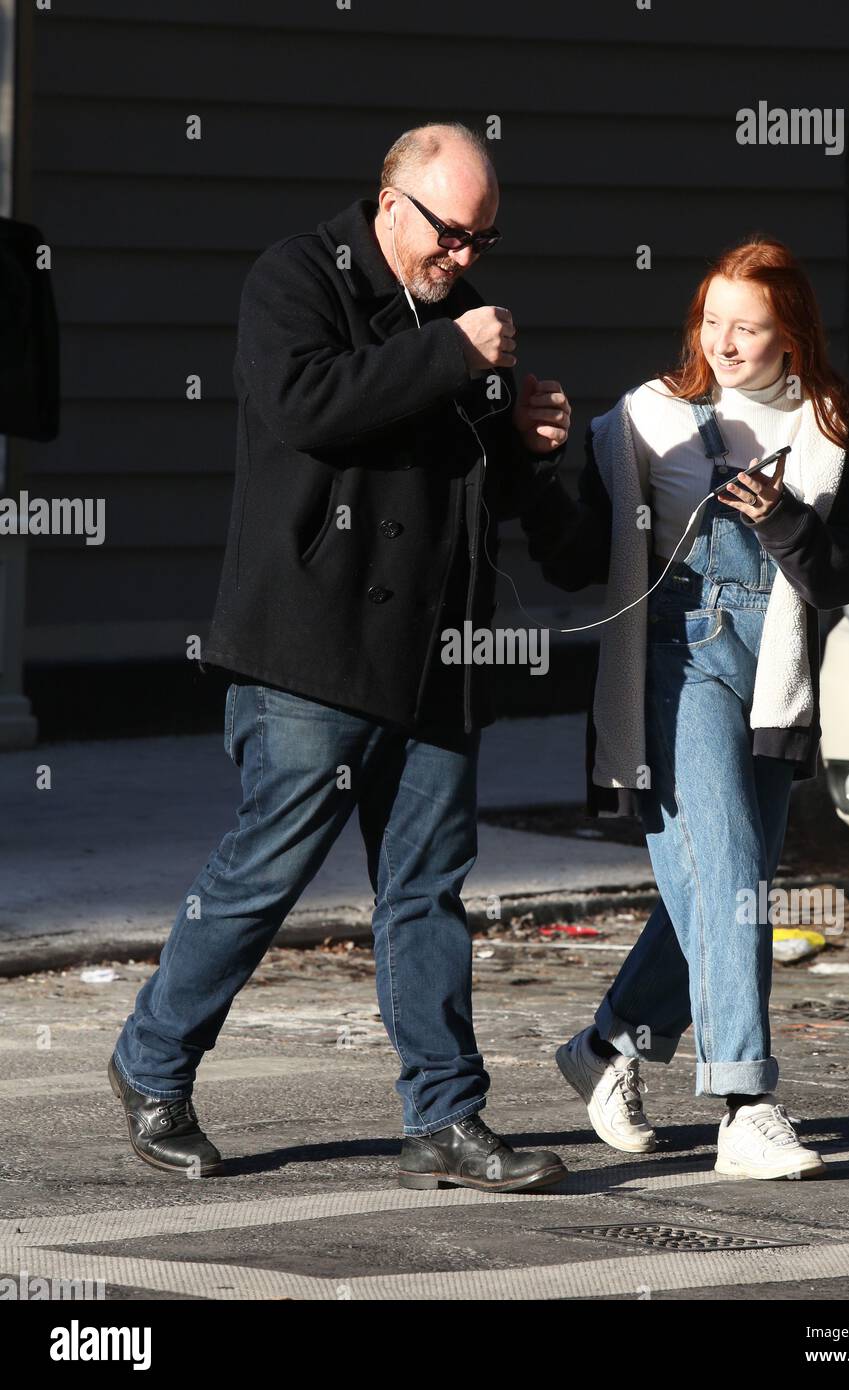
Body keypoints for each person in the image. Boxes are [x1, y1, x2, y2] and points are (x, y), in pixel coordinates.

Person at [109, 122, 576, 1193]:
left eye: (483, 242)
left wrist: (531, 435)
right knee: (265, 871)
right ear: (392, 203)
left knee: (427, 889)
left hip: (434, 654)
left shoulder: (466, 326)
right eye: (452, 236)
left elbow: (488, 493)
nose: (464, 260)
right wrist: (456, 355)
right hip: (310, 646)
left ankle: (445, 1120)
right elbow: (308, 404)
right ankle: (151, 1062)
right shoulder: (296, 278)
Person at [527, 235, 849, 1179]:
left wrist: (782, 519)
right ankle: (746, 1104)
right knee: (729, 873)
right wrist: (540, 470)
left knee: (721, 889)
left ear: (792, 338)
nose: (725, 343)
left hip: (774, 672)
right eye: (713, 321)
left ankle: (607, 1047)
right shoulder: (645, 419)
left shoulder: (830, 427)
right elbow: (574, 564)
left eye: (750, 329)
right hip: (673, 660)